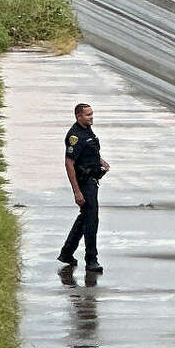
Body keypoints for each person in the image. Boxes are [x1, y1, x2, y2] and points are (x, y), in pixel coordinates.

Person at [58, 101, 109, 272]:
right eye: (88, 115)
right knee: (91, 220)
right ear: (78, 116)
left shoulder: (87, 130)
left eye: (92, 114)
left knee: (85, 218)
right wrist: (77, 191)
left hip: (92, 180)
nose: (91, 117)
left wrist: (100, 162)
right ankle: (91, 260)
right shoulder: (75, 136)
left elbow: (90, 151)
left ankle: (66, 252)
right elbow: (69, 163)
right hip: (84, 183)